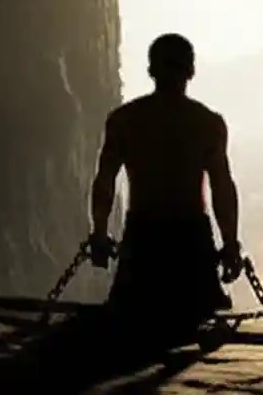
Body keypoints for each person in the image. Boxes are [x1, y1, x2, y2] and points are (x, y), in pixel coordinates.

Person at [87, 33, 245, 331]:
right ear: (191, 71)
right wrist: (230, 243)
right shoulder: (207, 123)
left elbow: (105, 180)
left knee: (132, 322)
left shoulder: (124, 120)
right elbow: (222, 187)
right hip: (191, 241)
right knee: (197, 319)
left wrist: (99, 232)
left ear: (151, 70)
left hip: (143, 238)